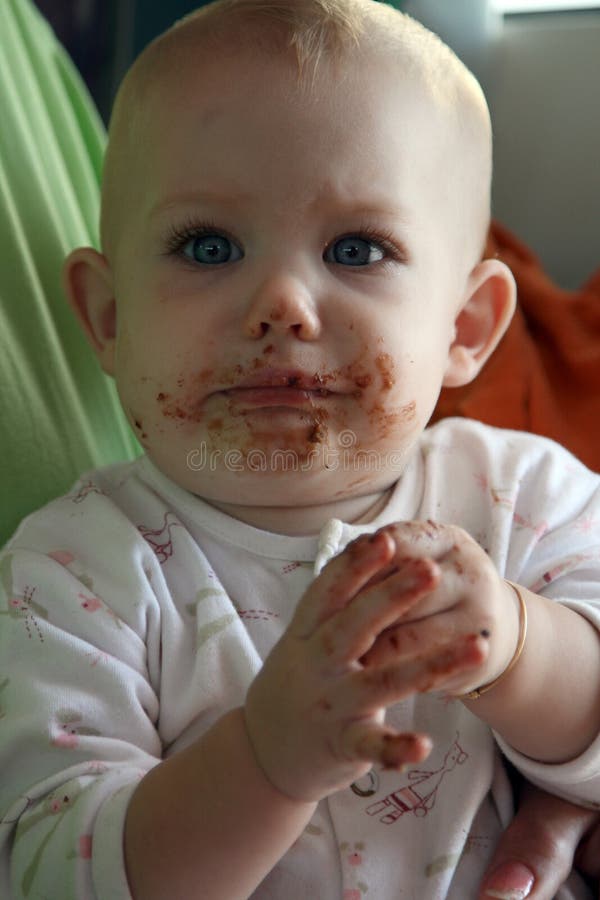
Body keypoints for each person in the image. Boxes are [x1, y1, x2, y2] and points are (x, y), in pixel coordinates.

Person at [0, 0, 599, 897]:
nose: (281, 302)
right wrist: (265, 762)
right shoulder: (71, 572)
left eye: (357, 248)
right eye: (208, 246)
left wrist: (517, 647)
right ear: (109, 318)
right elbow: (48, 869)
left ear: (465, 327)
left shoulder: (521, 495)